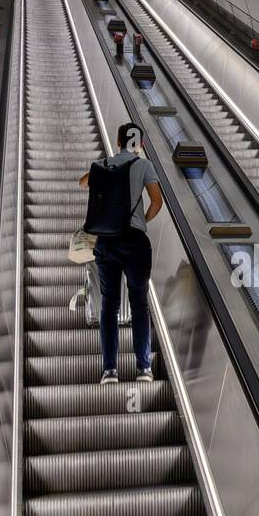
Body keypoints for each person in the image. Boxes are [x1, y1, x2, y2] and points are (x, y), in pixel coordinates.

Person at [80, 124, 163, 383]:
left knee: (109, 305)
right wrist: (142, 222)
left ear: (117, 140)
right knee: (139, 303)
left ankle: (109, 370)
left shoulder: (104, 164)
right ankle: (144, 369)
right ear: (141, 144)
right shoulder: (144, 166)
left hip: (107, 241)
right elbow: (156, 201)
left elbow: (83, 182)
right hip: (135, 241)